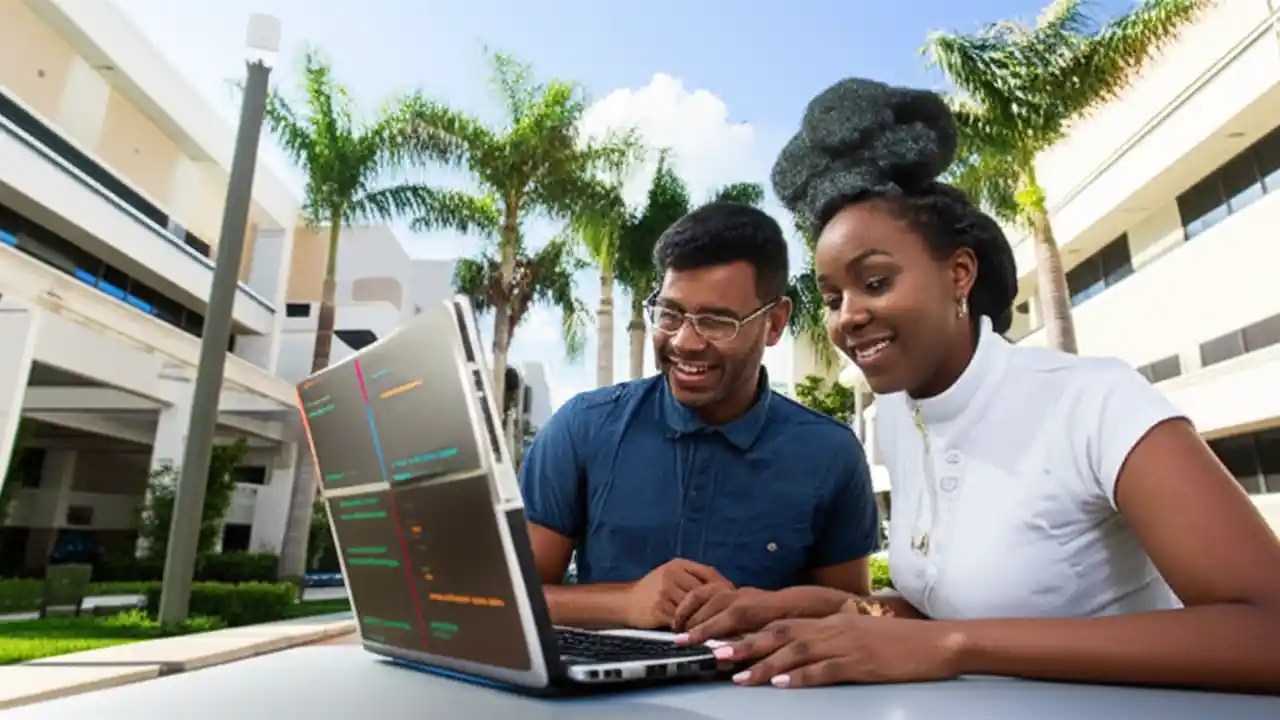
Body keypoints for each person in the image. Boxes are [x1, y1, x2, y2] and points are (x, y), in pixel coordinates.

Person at [673, 77, 1280, 694]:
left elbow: (1267, 632)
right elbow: (944, 613)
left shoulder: (1094, 401)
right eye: (832, 298)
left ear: (959, 273)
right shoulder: (897, 416)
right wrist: (815, 608)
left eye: (876, 282)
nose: (848, 315)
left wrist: (952, 645)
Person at [518, 201, 881, 630]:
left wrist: (767, 609)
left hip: (766, 691)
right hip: (599, 692)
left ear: (775, 323)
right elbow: (511, 600)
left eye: (716, 322)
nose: (685, 342)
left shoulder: (829, 455)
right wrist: (624, 603)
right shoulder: (583, 428)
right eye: (670, 314)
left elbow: (856, 615)